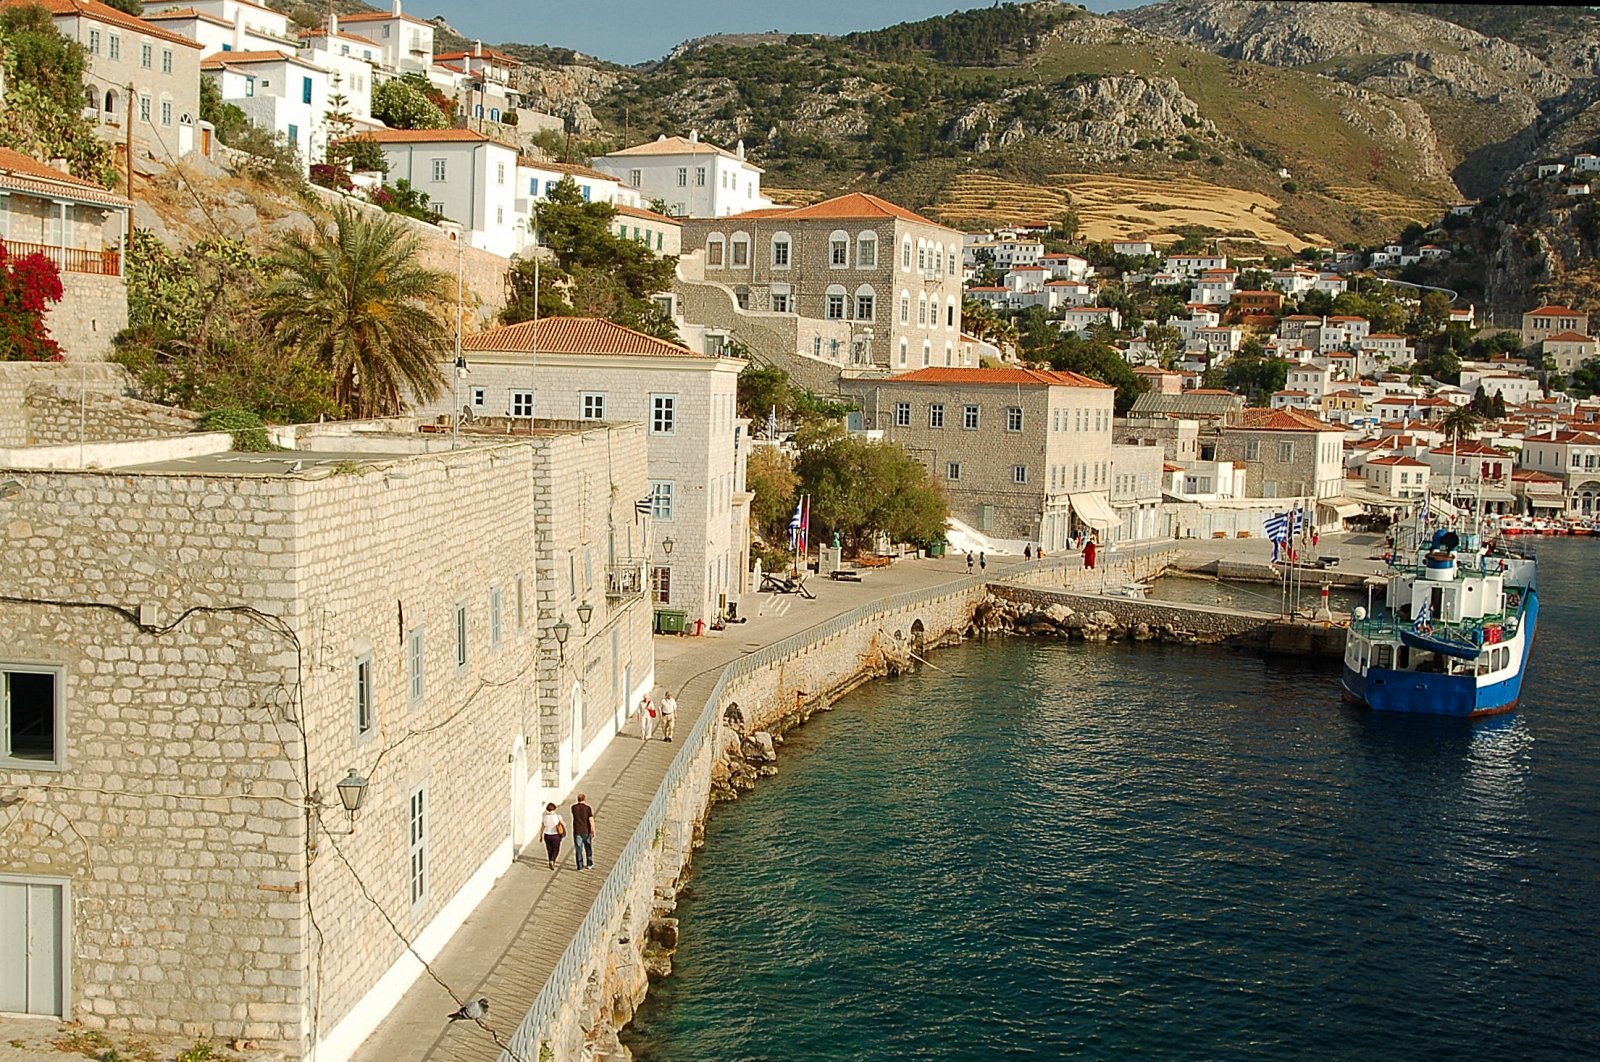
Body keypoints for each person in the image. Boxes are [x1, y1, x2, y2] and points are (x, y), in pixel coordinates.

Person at [570, 792, 595, 870]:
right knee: (588, 847)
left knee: (578, 849)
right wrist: (593, 830)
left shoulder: (573, 807)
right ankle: (589, 863)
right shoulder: (587, 808)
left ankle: (580, 866)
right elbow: (590, 819)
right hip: (586, 830)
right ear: (585, 799)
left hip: (577, 830)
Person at [541, 802, 565, 870]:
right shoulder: (558, 816)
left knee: (549, 849)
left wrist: (541, 836)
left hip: (547, 835)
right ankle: (552, 860)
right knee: (556, 849)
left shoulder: (544, 816)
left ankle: (550, 860)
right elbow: (564, 824)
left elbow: (542, 826)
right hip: (555, 835)